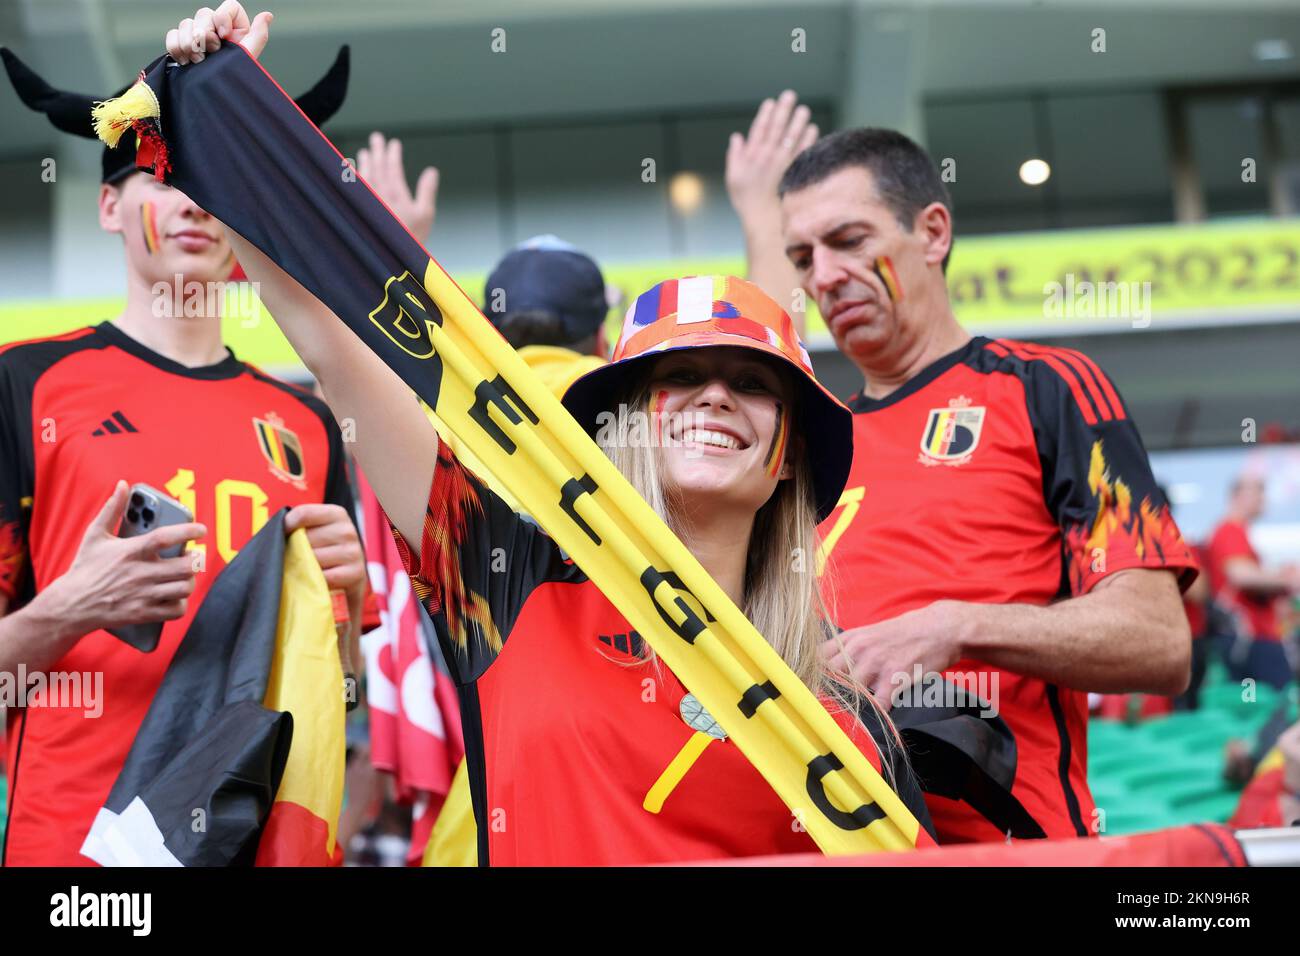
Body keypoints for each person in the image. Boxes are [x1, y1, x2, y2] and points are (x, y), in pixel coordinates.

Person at [728, 113, 1200, 842]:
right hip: (843, 847)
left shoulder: (1047, 389)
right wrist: (758, 219)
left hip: (1013, 848)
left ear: (934, 233)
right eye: (802, 257)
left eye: (850, 241)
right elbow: (751, 354)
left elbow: (1160, 642)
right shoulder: (805, 443)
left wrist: (957, 626)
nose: (823, 276)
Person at [0, 45, 367, 865]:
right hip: (79, 852)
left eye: (216, 185)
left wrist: (353, 601)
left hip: (261, 839)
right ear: (106, 206)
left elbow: (341, 692)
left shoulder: (308, 422)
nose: (196, 204)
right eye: (166, 178)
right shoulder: (24, 385)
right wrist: (72, 605)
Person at [1206, 474, 1299, 691]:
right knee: (1276, 707)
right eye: (1258, 492)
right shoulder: (1229, 530)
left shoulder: (1237, 532)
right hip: (1249, 640)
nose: (1262, 499)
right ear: (1238, 496)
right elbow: (1241, 575)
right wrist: (1287, 578)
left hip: (1254, 639)